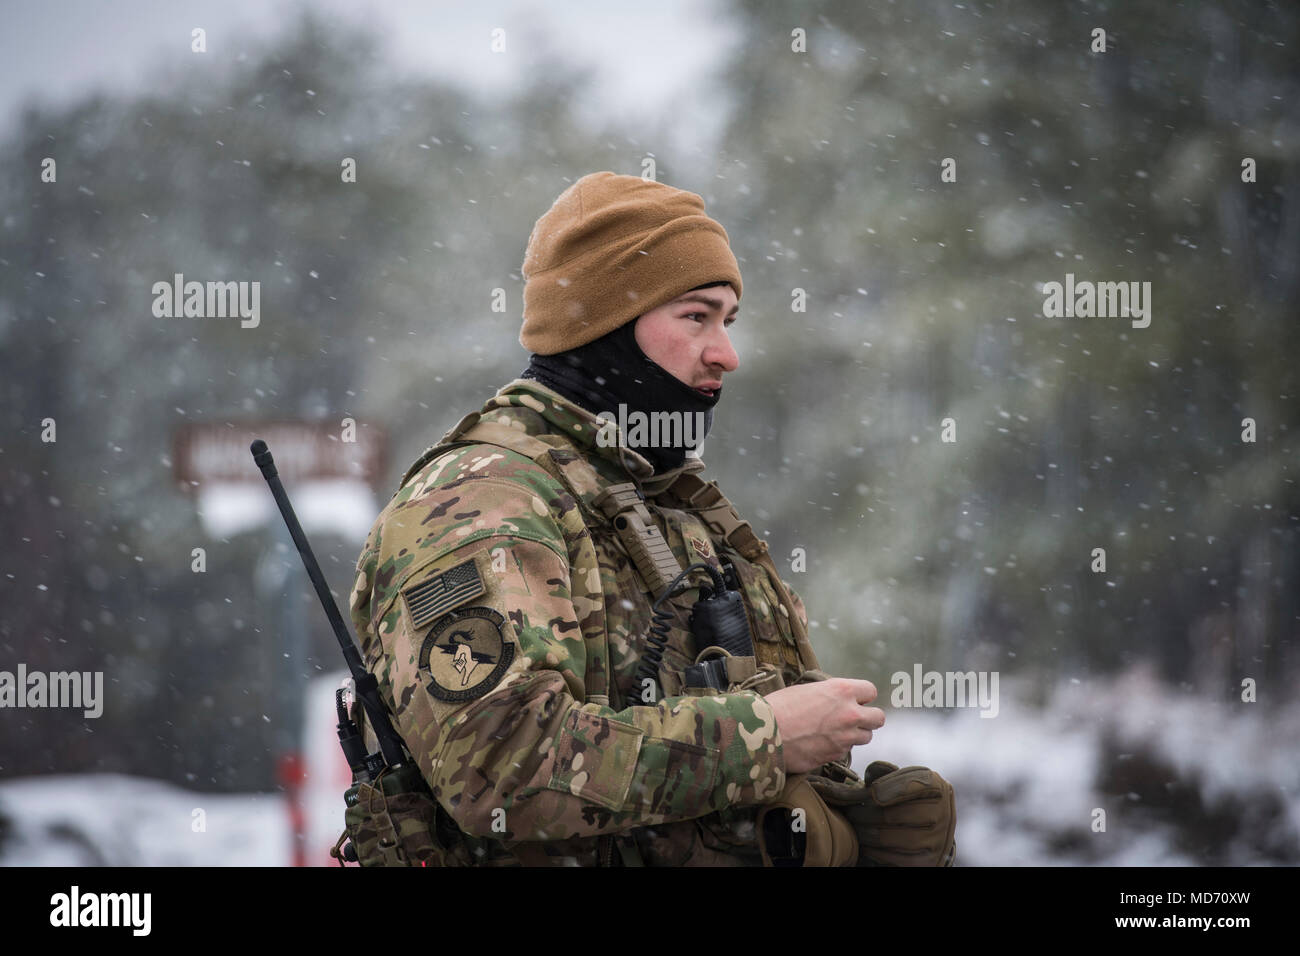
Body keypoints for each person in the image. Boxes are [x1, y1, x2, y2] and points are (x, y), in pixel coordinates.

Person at [346, 171, 954, 866]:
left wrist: (838, 825)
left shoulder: (664, 497)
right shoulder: (485, 502)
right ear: (600, 326)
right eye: (696, 317)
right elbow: (501, 773)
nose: (727, 352)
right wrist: (764, 737)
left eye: (728, 320)